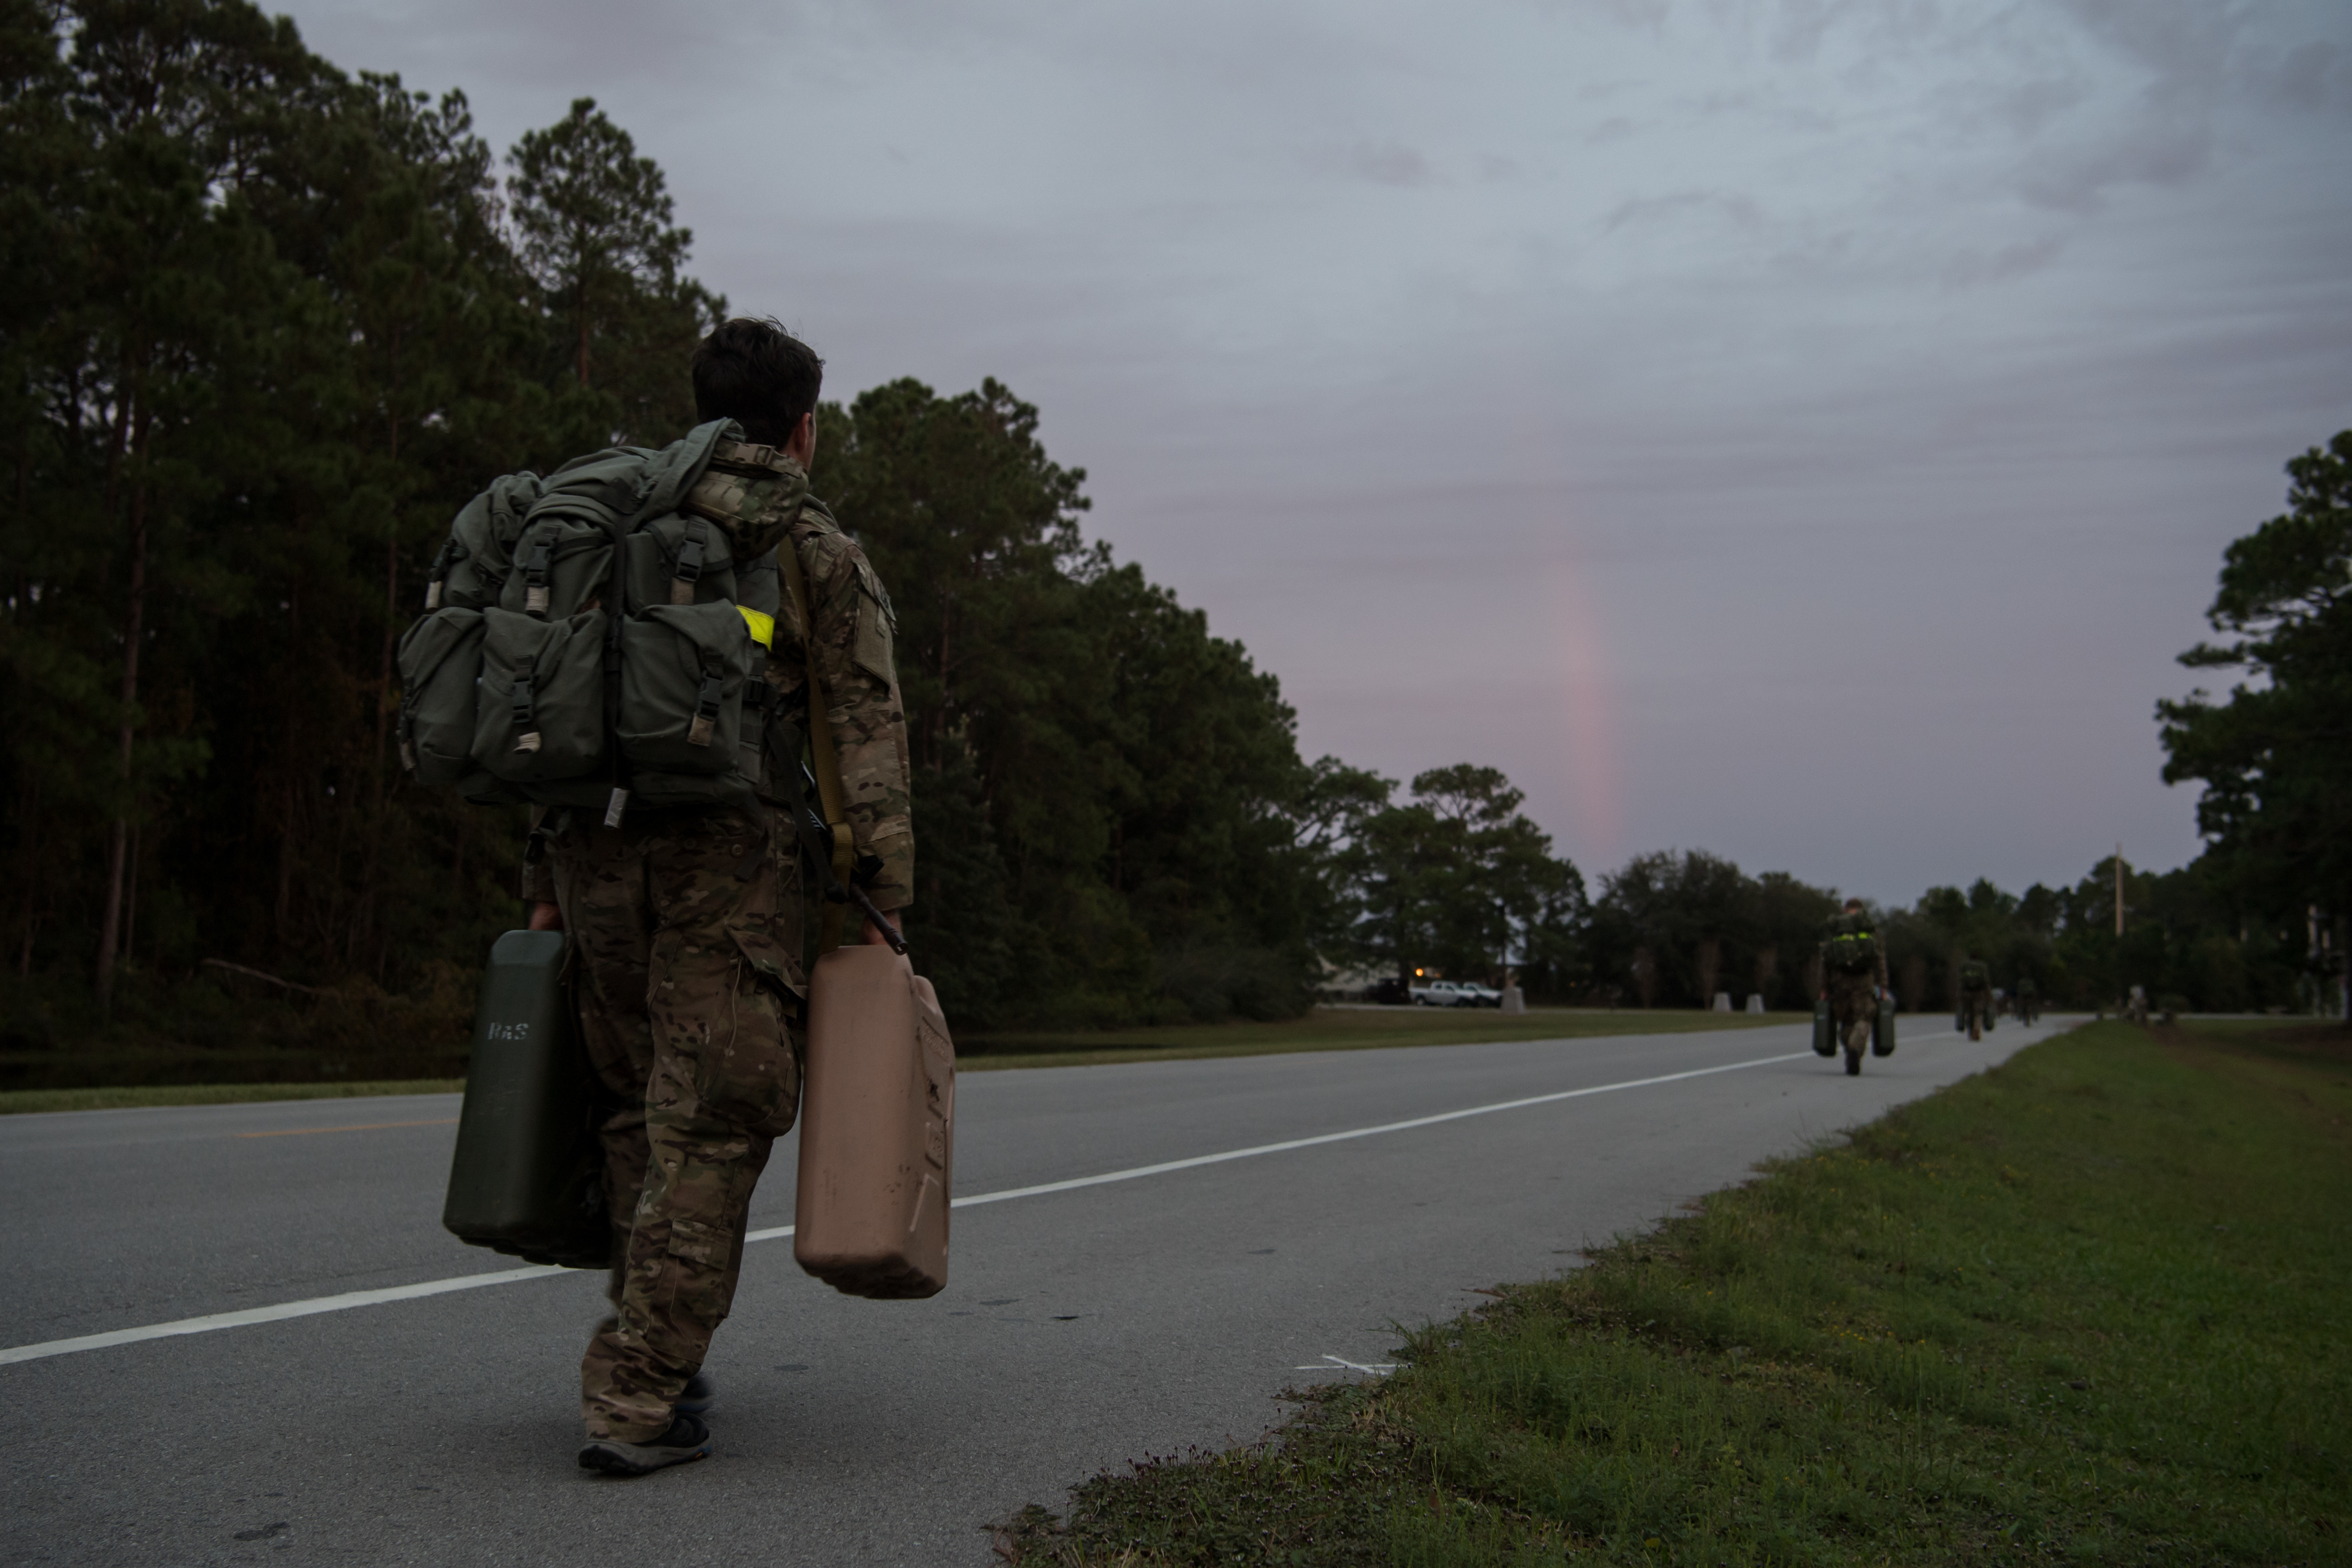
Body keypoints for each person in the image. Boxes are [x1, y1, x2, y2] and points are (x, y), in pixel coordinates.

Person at [523, 317, 915, 1477]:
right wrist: (881, 892)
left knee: (644, 1105)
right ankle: (637, 1392)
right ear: (803, 428)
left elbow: (550, 699)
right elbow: (864, 730)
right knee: (716, 1119)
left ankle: (665, 1351)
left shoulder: (619, 517)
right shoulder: (807, 541)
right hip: (727, 863)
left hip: (594, 852)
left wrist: (540, 876)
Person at [1817, 898, 1888, 1075]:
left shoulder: (1835, 929)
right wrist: (1883, 986)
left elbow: (1825, 961)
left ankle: (1850, 1049)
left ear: (1845, 910)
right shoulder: (1871, 930)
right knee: (1864, 1018)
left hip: (1839, 982)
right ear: (1862, 910)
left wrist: (1824, 988)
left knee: (1846, 1020)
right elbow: (1880, 961)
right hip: (1864, 981)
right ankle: (1855, 1050)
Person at [1956, 958, 1993, 1040]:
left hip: (1967, 994)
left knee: (1969, 1012)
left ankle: (1970, 1030)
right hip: (1979, 994)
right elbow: (1986, 984)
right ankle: (1976, 1029)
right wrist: (1989, 998)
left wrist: (1960, 997)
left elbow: (1962, 985)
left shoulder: (1966, 969)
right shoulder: (1982, 969)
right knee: (1979, 1013)